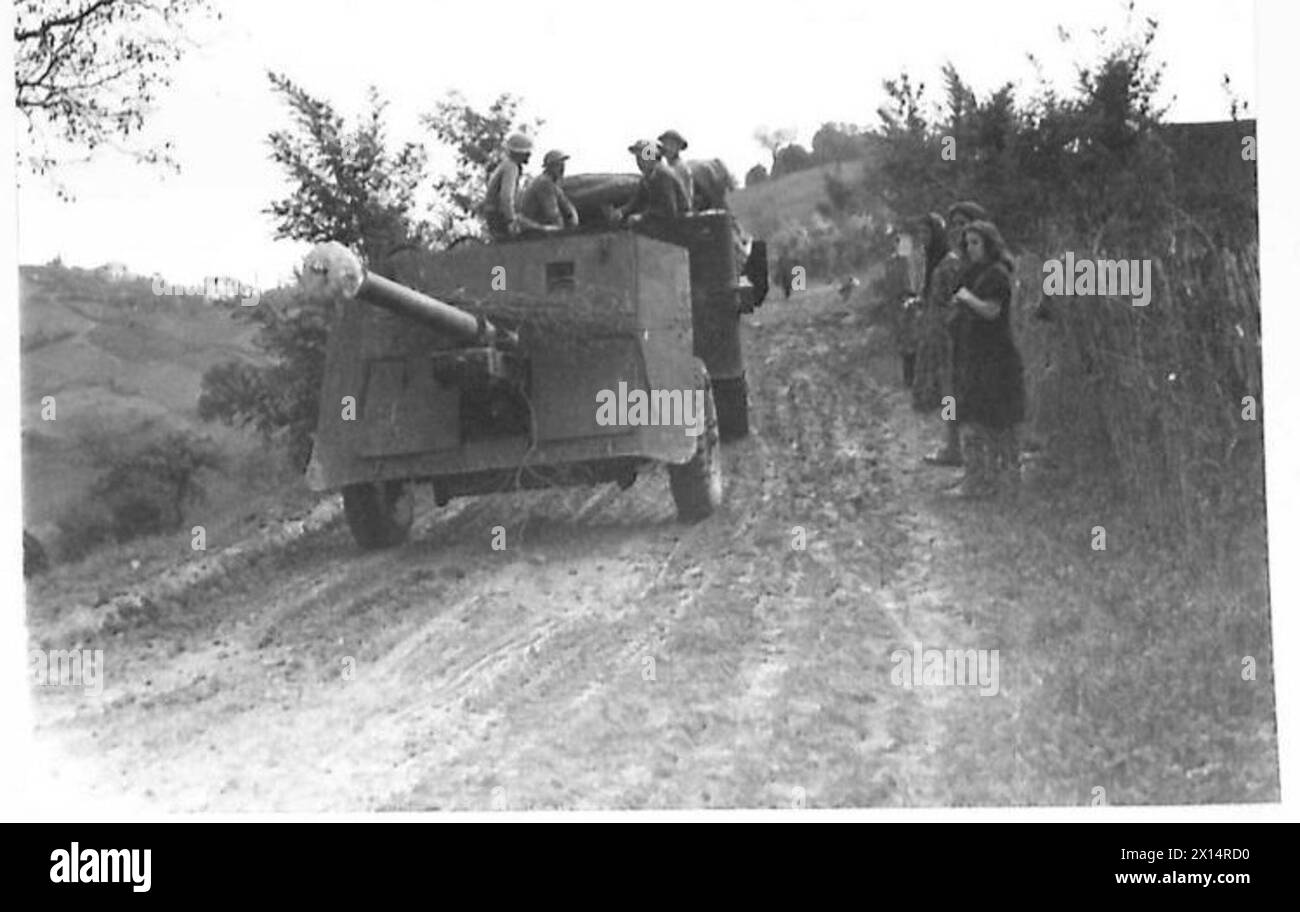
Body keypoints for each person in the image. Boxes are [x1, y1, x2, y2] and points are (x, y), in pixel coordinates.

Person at [946, 219, 1025, 498]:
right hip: (975, 356)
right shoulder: (973, 273)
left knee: (999, 420)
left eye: (976, 243)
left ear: (989, 244)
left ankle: (1002, 480)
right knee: (972, 418)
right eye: (967, 244)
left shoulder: (997, 275)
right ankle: (978, 478)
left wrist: (967, 299)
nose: (971, 249)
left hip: (997, 358)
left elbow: (992, 311)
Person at [912, 201, 987, 466]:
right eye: (953, 224)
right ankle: (953, 445)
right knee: (949, 392)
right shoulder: (953, 260)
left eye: (962, 224)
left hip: (961, 337)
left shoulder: (963, 263)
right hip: (945, 338)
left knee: (963, 393)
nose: (958, 230)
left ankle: (965, 451)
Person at [482, 133, 548, 240]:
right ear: (520, 153)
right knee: (538, 231)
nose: (529, 155)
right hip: (499, 215)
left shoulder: (506, 165)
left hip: (494, 213)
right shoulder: (511, 167)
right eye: (527, 152)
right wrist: (511, 220)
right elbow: (506, 196)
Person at [615, 139, 691, 222]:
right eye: (638, 158)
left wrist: (641, 217)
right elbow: (637, 201)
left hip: (679, 223)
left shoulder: (663, 175)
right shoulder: (647, 177)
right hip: (661, 221)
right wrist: (622, 211)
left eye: (643, 158)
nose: (639, 163)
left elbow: (668, 210)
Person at [518, 149, 580, 233]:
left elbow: (566, 205)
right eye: (558, 165)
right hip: (533, 230)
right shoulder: (544, 183)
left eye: (563, 164)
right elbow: (553, 214)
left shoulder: (552, 184)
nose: (562, 168)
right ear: (550, 167)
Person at [657, 129, 695, 212]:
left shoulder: (680, 167)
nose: (667, 148)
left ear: (678, 148)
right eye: (665, 144)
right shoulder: (667, 166)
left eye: (671, 145)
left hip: (680, 212)